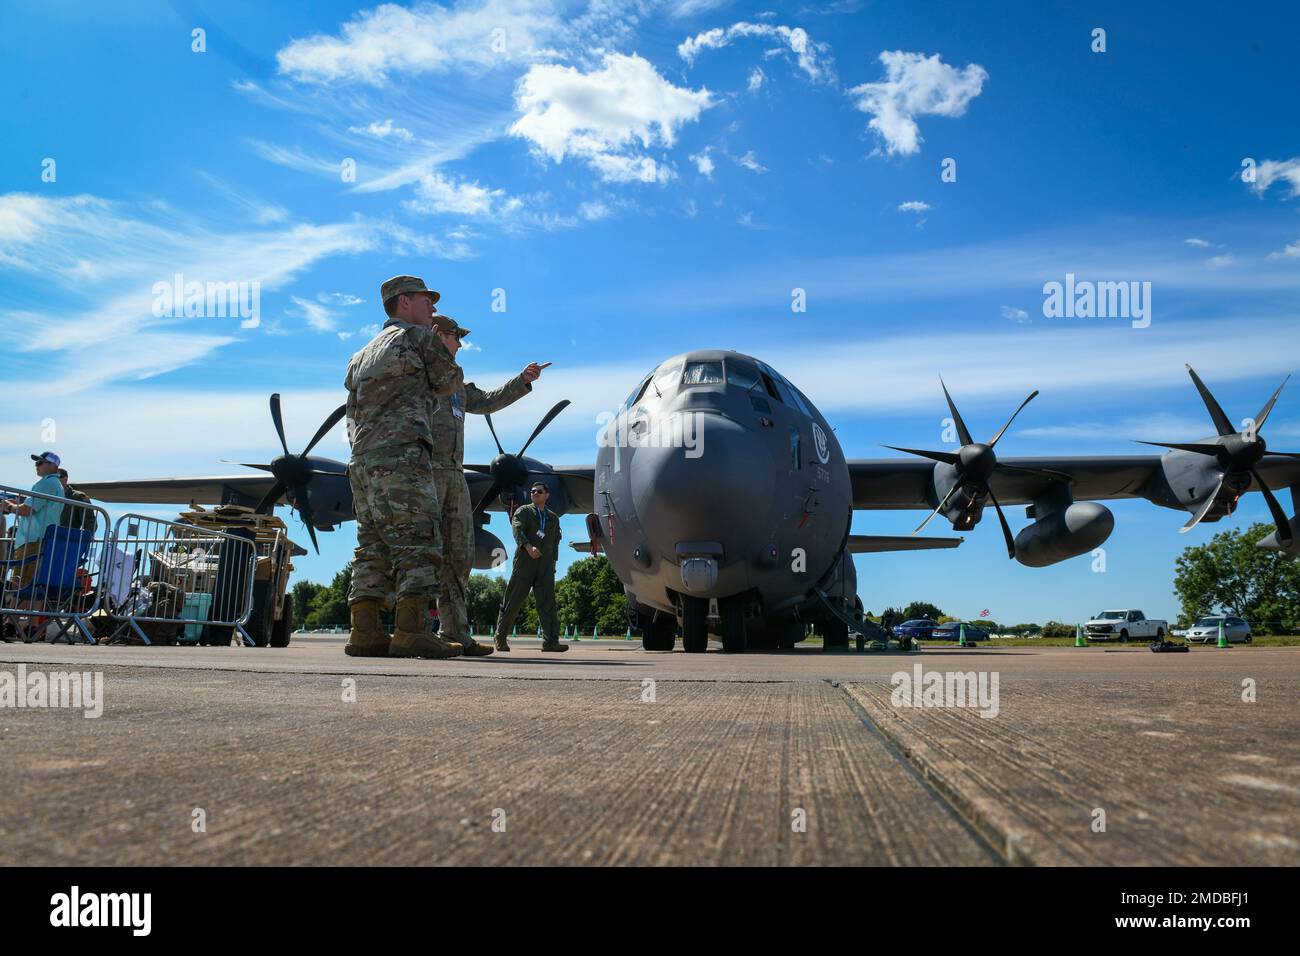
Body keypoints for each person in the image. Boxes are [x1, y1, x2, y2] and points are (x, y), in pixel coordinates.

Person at [343, 275, 465, 659]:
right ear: (404, 302)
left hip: (362, 461)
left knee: (372, 544)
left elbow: (352, 412)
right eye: (426, 300)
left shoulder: (360, 355)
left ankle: (363, 632)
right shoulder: (418, 337)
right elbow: (450, 381)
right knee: (419, 540)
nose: (433, 308)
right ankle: (410, 632)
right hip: (404, 457)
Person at [430, 315, 549, 656]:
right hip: (421, 474)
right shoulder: (416, 375)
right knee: (419, 555)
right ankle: (414, 629)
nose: (460, 343)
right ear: (438, 335)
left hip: (453, 476)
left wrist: (522, 380)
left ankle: (456, 634)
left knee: (460, 555)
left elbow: (487, 401)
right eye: (456, 336)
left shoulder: (455, 385)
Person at [494, 480, 567, 652]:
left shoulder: (553, 518)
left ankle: (551, 642)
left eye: (539, 491)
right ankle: (500, 638)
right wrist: (528, 546)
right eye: (533, 491)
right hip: (525, 562)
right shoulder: (524, 511)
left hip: (546, 566)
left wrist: (554, 564)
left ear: (547, 495)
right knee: (513, 600)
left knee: (547, 603)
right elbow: (517, 529)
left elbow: (555, 542)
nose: (535, 493)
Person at [2, 452, 66, 590]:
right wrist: (18, 505)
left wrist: (8, 506)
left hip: (32, 541)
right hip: (39, 540)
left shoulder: (46, 483)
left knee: (20, 584)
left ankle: (15, 611)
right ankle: (20, 611)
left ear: (53, 466)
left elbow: (27, 510)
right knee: (31, 584)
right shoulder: (54, 484)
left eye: (40, 463)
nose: (36, 465)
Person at [56, 468, 98, 535]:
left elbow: (89, 520)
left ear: (65, 478)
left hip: (66, 538)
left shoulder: (78, 496)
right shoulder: (46, 495)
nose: (55, 480)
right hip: (44, 537)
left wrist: (86, 538)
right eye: (51, 478)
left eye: (57, 477)